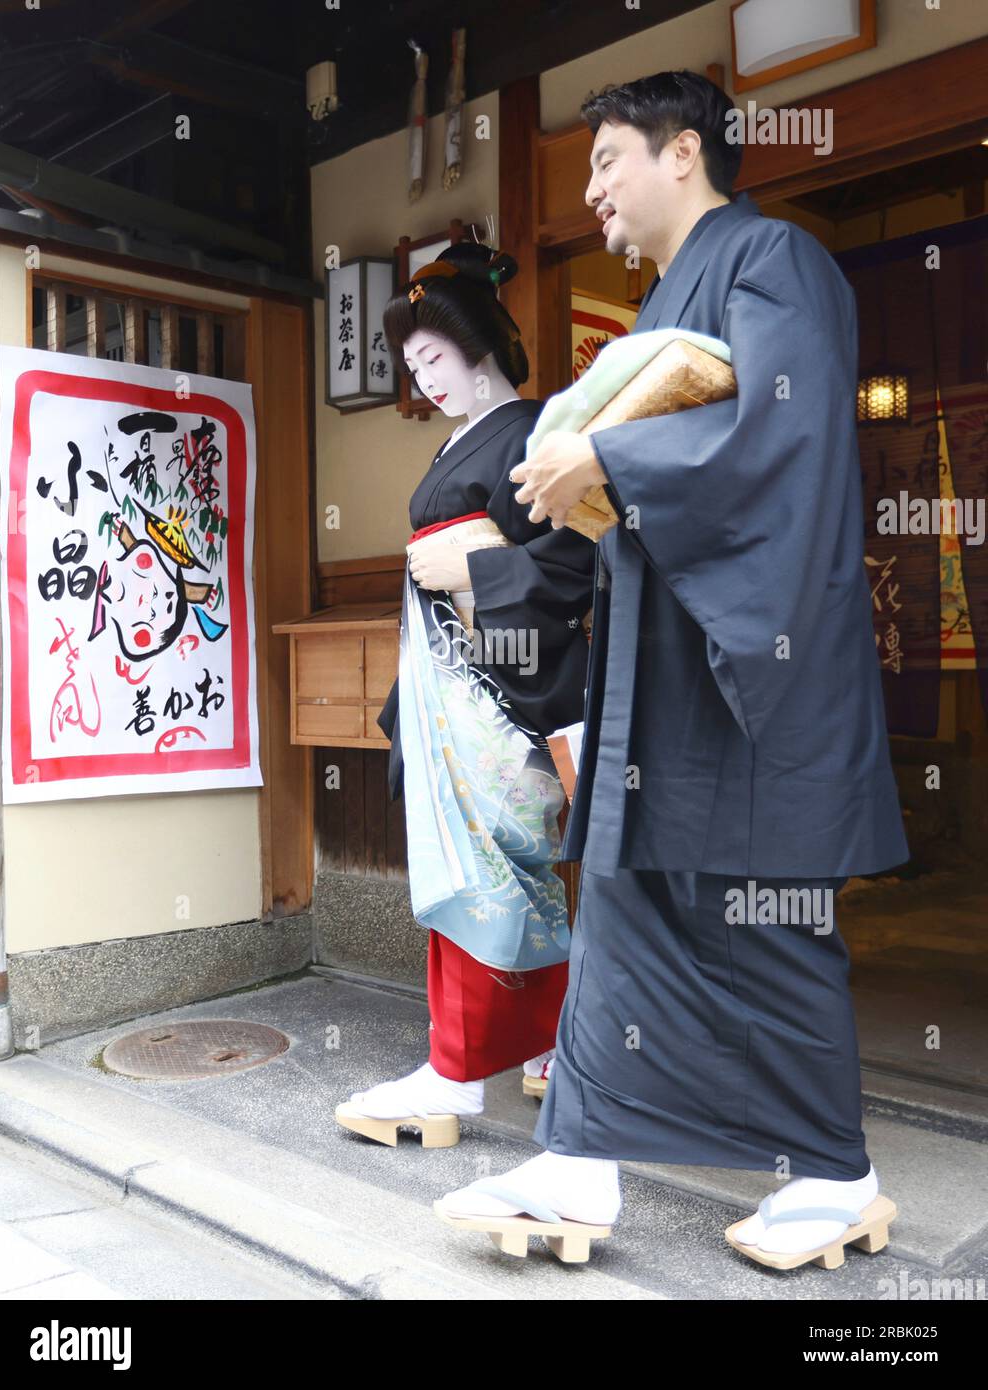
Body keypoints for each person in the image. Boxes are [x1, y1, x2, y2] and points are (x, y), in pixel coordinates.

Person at [434, 72, 909, 1268]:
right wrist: (555, 517)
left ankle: (839, 1177)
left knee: (770, 920)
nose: (590, 191)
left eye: (605, 162)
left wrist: (607, 451)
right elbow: (628, 503)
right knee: (634, 904)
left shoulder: (777, 261)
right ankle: (579, 1164)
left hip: (755, 670)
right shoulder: (657, 314)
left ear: (682, 152)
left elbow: (777, 441)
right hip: (663, 669)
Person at [335, 241, 595, 1147]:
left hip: (500, 686)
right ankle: (534, 1044)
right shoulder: (456, 442)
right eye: (412, 368)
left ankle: (457, 1076)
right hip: (454, 679)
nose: (425, 381)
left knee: (495, 869)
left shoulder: (537, 432)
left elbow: (574, 561)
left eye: (435, 359)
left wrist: (477, 562)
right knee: (483, 872)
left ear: (479, 344)